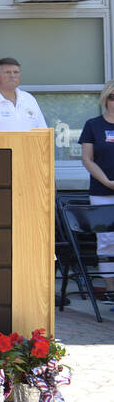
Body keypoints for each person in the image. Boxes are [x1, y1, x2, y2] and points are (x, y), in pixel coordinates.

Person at [79, 79, 114, 291]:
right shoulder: (93, 125)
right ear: (105, 99)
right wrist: (108, 182)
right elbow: (87, 159)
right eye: (113, 96)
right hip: (102, 192)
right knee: (107, 242)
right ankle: (111, 290)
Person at [0, 57, 47, 132]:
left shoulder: (29, 99)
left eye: (16, 72)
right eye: (7, 72)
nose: (12, 76)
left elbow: (43, 131)